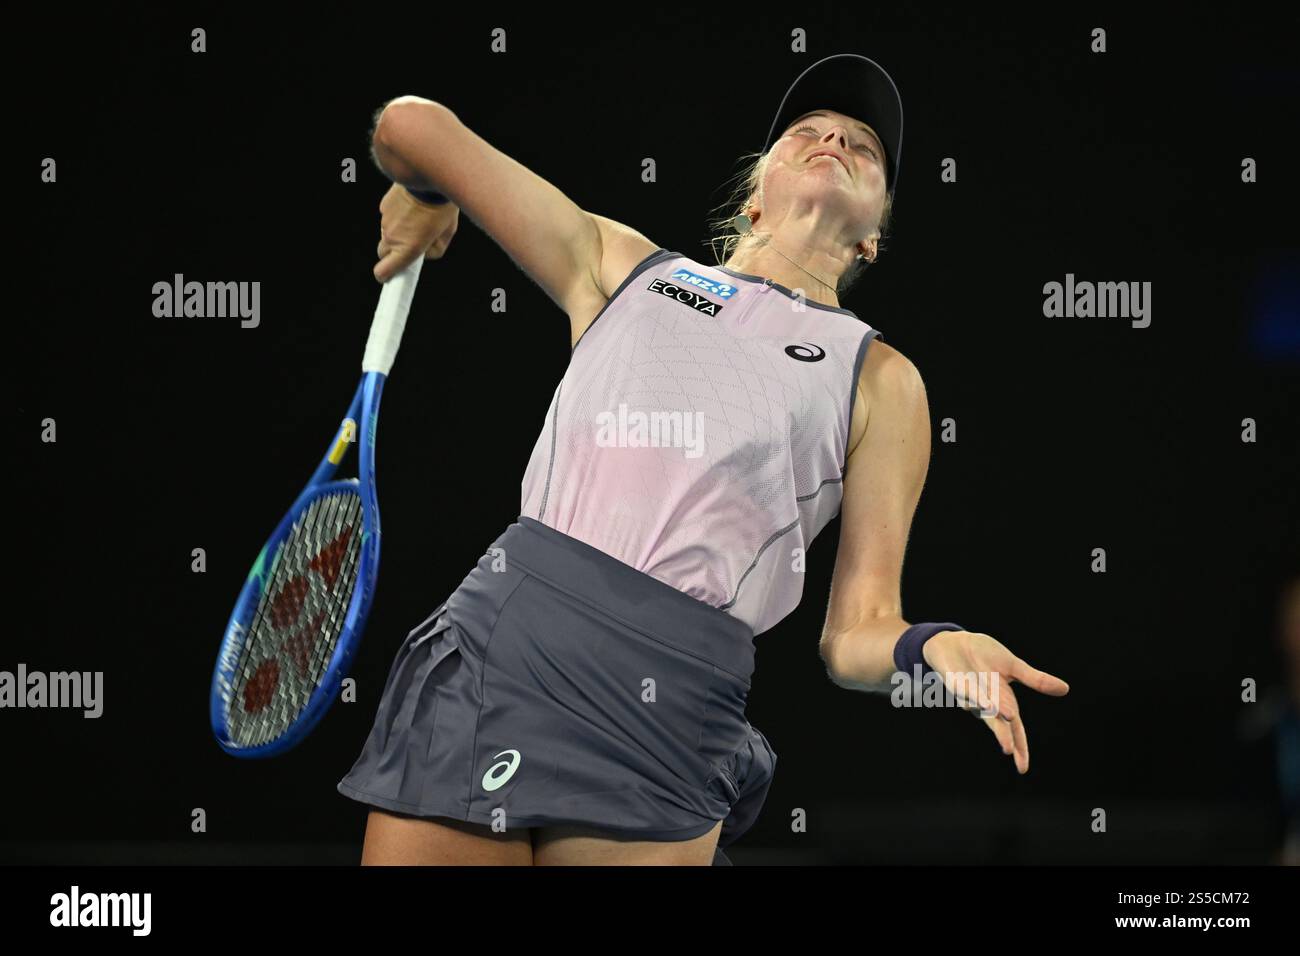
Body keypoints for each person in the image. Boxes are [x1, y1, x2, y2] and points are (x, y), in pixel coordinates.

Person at [336, 54, 1070, 865]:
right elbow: (410, 125)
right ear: (755, 193)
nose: (834, 138)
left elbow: (854, 633)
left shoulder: (882, 381)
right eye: (806, 131)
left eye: (863, 145)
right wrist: (430, 189)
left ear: (874, 234)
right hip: (507, 642)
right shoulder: (625, 267)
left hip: (667, 708)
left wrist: (926, 646)